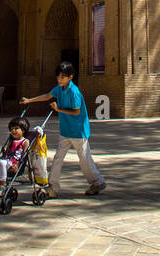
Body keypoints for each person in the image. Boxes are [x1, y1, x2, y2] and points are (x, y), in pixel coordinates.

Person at [20, 62, 105, 198]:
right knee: (58, 157)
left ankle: (97, 182)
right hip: (65, 130)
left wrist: (58, 109)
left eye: (63, 77)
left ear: (70, 77)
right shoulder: (59, 88)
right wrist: (30, 100)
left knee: (84, 159)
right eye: (58, 77)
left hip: (78, 131)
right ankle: (53, 187)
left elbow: (76, 111)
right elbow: (48, 95)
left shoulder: (74, 91)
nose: (60, 80)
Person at [0, 118, 30, 195]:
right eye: (12, 129)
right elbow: (7, 153)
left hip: (13, 164)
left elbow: (24, 155)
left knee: (2, 163)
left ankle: (2, 186)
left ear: (23, 130)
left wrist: (18, 165)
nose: (13, 131)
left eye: (16, 128)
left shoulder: (25, 142)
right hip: (6, 161)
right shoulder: (11, 141)